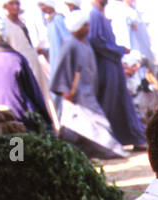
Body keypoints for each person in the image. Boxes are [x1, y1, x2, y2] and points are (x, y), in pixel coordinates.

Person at [50, 8, 125, 155]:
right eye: (84, 25)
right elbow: (62, 68)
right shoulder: (69, 44)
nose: (87, 28)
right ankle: (112, 150)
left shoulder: (85, 43)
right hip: (76, 93)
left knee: (88, 125)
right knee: (95, 122)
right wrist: (65, 91)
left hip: (87, 91)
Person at [0, 14, 54, 130]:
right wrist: (46, 121)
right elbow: (34, 93)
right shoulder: (15, 59)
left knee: (9, 147)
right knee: (17, 147)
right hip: (20, 120)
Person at [88, 0, 146, 147]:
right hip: (106, 66)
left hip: (113, 64)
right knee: (110, 102)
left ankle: (132, 138)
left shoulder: (101, 15)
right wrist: (119, 50)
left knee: (121, 102)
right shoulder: (94, 15)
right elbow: (96, 41)